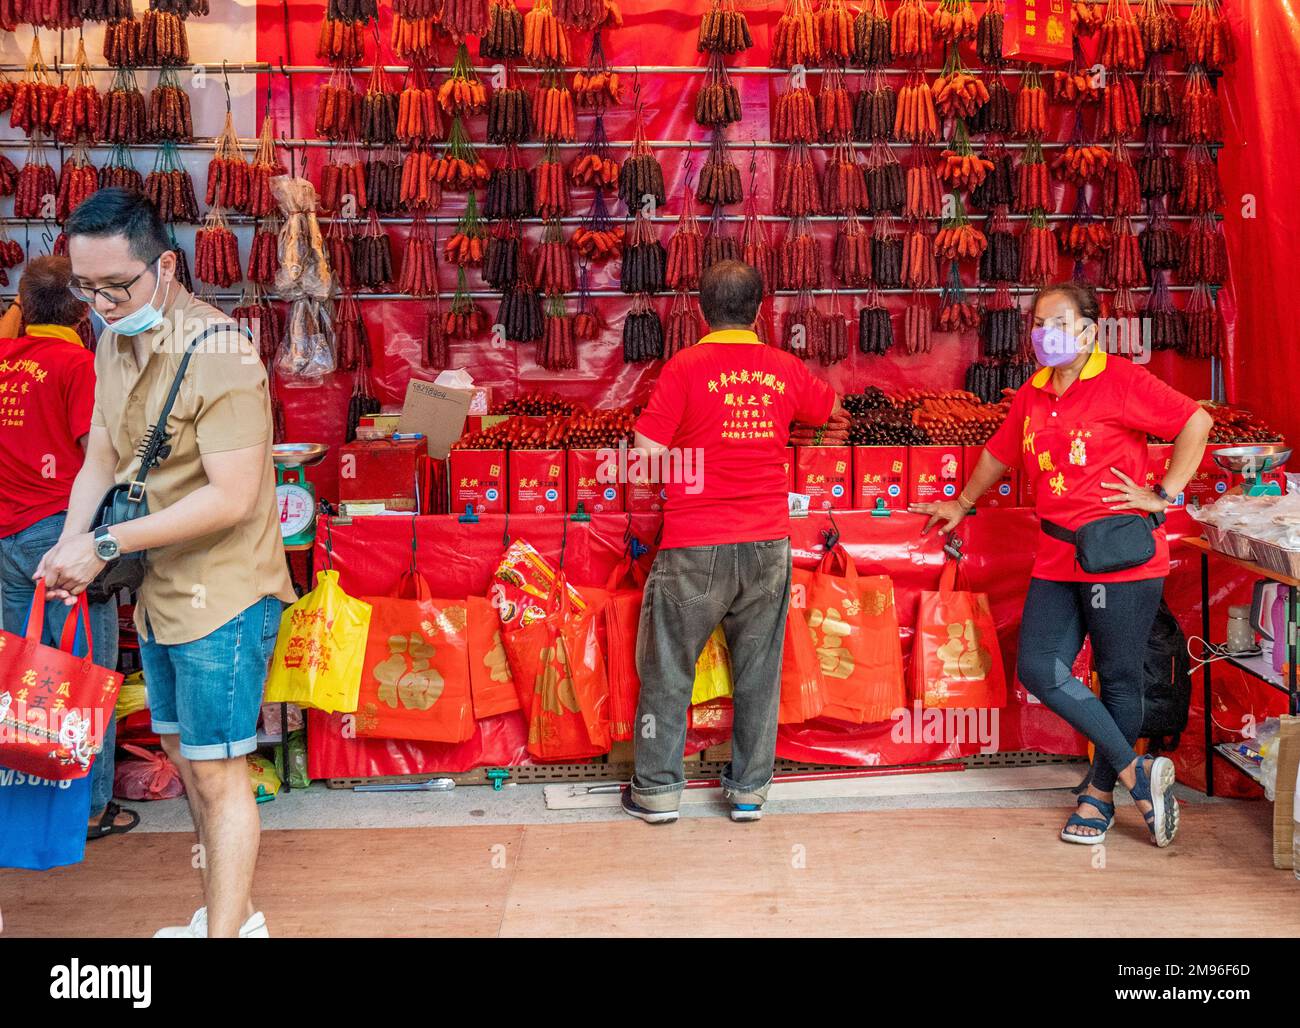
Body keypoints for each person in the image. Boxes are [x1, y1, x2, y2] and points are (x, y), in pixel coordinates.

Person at [36, 188, 297, 937]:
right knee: (189, 764)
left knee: (218, 772)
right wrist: (69, 537)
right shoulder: (112, 339)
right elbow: (101, 459)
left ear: (167, 266)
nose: (103, 304)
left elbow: (233, 497)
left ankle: (225, 934)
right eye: (86, 289)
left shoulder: (221, 351)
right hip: (160, 592)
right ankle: (230, 918)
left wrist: (108, 545)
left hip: (223, 595)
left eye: (117, 286)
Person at [912, 282, 1212, 848]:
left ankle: (1100, 795)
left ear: (1090, 330)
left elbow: (1196, 422)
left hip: (1120, 554)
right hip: (1056, 554)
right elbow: (1000, 453)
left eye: (1058, 322)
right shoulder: (1032, 392)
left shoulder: (1122, 380)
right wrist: (962, 502)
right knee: (1040, 667)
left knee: (1121, 679)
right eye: (1038, 323)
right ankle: (1139, 774)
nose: (1044, 333)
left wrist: (1165, 492)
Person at [624, 260, 839, 825]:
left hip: (694, 542)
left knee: (669, 667)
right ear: (761, 310)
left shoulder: (685, 366)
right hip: (767, 543)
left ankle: (657, 792)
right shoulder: (785, 367)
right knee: (759, 672)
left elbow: (646, 452)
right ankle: (748, 793)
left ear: (701, 309)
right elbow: (827, 410)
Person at [0, 255, 137, 842]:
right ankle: (88, 806)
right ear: (84, 307)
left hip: (5, 538)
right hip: (62, 534)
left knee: (18, 673)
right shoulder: (80, 365)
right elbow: (98, 457)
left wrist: (22, 308)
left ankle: (24, 800)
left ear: (21, 308)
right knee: (85, 671)